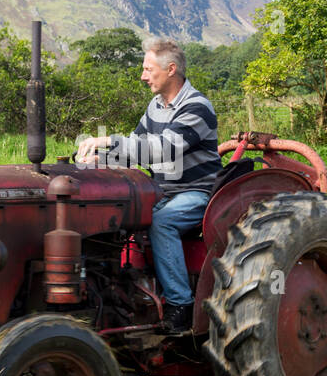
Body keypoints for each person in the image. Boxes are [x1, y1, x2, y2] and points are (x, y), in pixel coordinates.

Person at [75, 39, 221, 332]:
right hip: (162, 191)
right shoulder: (156, 106)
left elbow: (163, 149)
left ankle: (181, 304)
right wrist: (96, 160)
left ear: (170, 69)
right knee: (118, 214)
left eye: (147, 69)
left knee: (162, 222)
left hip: (197, 192)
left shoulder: (197, 107)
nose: (143, 76)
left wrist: (107, 139)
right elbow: (136, 146)